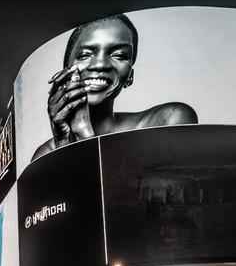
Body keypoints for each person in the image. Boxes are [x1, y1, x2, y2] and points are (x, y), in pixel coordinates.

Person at [32, 13, 197, 162]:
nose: (100, 64)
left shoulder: (168, 121)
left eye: (118, 55)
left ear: (130, 76)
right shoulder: (47, 152)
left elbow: (160, 195)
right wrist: (64, 145)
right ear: (65, 71)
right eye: (85, 55)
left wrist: (85, 136)